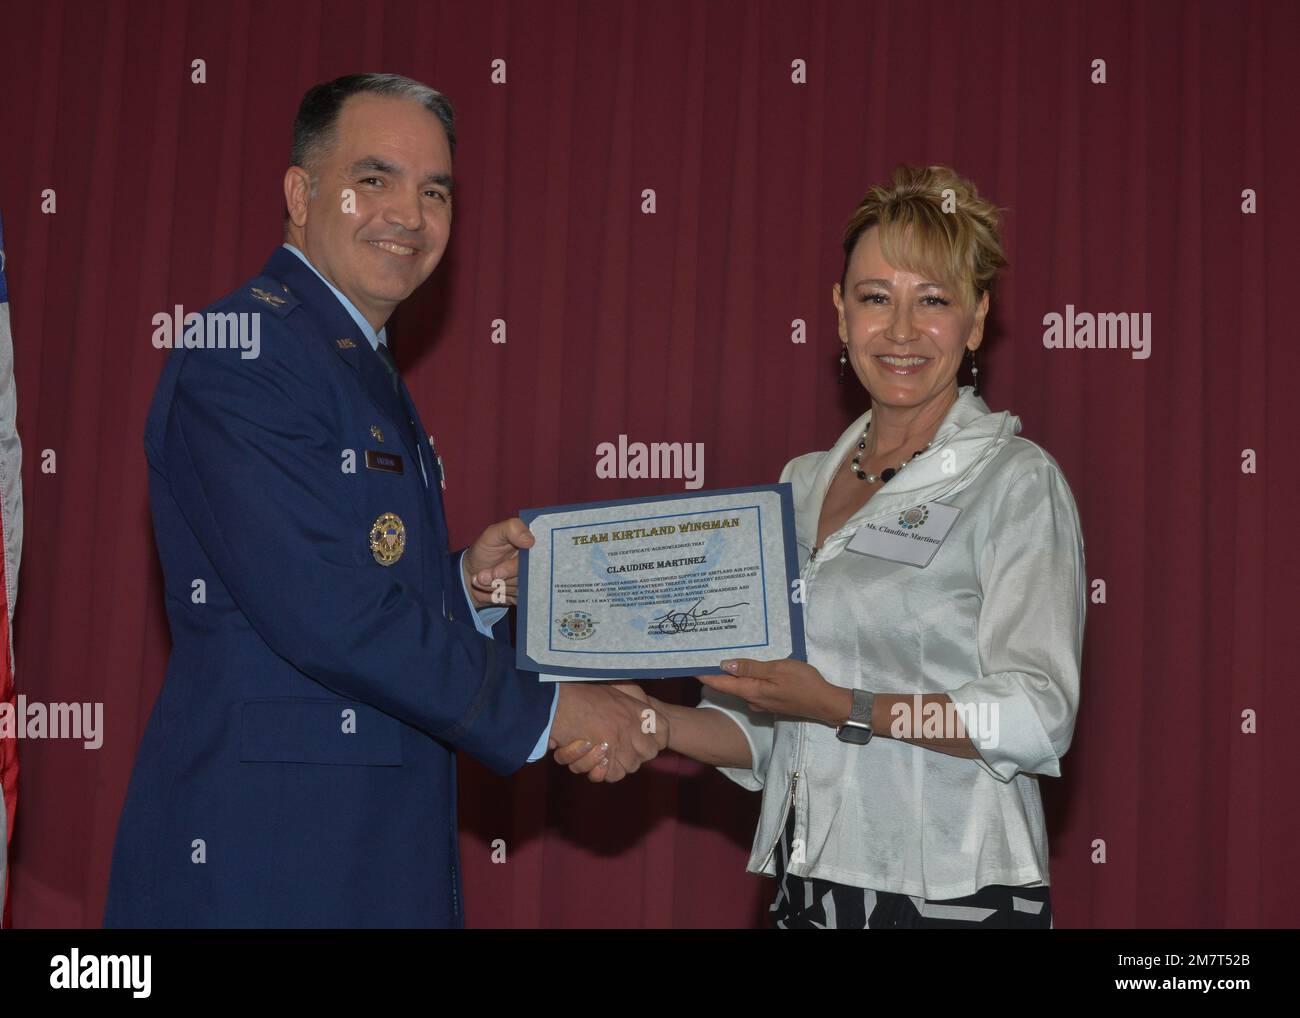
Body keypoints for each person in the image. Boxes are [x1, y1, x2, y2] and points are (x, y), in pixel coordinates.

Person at [104, 73, 663, 928]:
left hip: (352, 853)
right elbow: (323, 609)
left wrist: (461, 590)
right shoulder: (246, 352)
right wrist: (549, 708)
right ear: (300, 193)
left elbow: (347, 578)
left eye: (433, 190)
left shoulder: (341, 355)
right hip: (265, 864)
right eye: (375, 179)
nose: (409, 212)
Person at [558, 165, 1086, 929]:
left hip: (955, 893)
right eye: (876, 298)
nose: (901, 331)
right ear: (840, 315)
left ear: (976, 322)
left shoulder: (1015, 481)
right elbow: (769, 724)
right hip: (806, 887)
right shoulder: (799, 487)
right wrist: (656, 724)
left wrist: (846, 707)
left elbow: (1036, 718)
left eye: (932, 301)